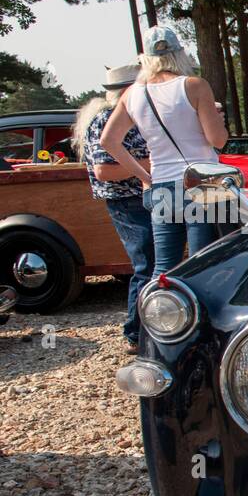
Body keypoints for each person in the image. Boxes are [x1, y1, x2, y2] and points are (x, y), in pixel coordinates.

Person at [101, 24, 229, 279]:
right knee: (201, 263)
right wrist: (220, 121)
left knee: (163, 266)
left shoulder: (132, 94)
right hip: (203, 181)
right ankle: (200, 318)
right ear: (180, 53)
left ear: (145, 58)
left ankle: (157, 315)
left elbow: (109, 141)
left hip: (161, 183)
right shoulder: (195, 86)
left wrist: (144, 177)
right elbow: (218, 141)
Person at [74, 64, 153, 353]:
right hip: (127, 200)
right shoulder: (106, 120)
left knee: (153, 262)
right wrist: (149, 167)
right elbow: (104, 171)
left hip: (141, 197)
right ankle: (135, 333)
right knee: (147, 262)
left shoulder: (131, 118)